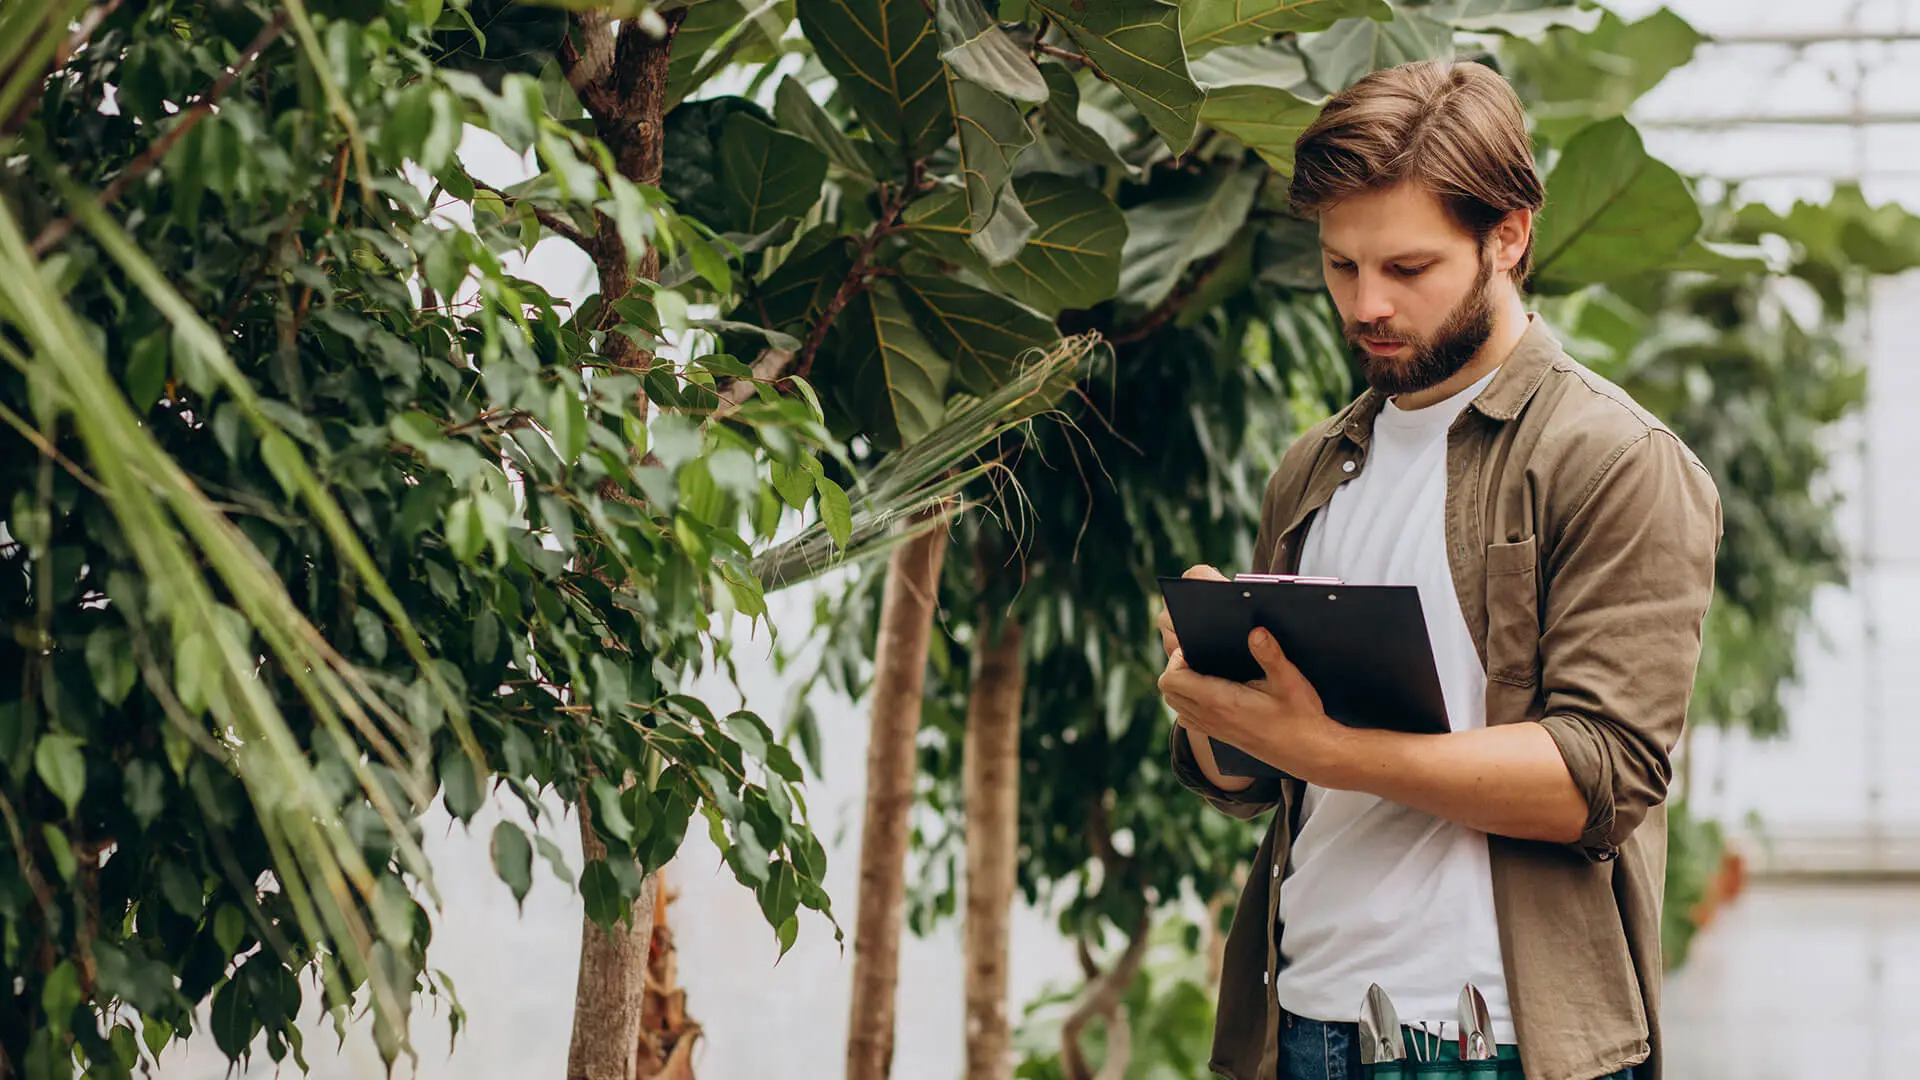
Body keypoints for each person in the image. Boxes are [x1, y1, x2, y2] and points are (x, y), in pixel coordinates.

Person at [1156, 60, 1721, 1080]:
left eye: (1407, 270)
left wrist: (1328, 747)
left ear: (1509, 236)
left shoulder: (1614, 461)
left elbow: (1600, 776)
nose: (1365, 304)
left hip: (1492, 1042)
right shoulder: (1316, 468)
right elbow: (1258, 783)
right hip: (1302, 1026)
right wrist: (1212, 708)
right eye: (1340, 267)